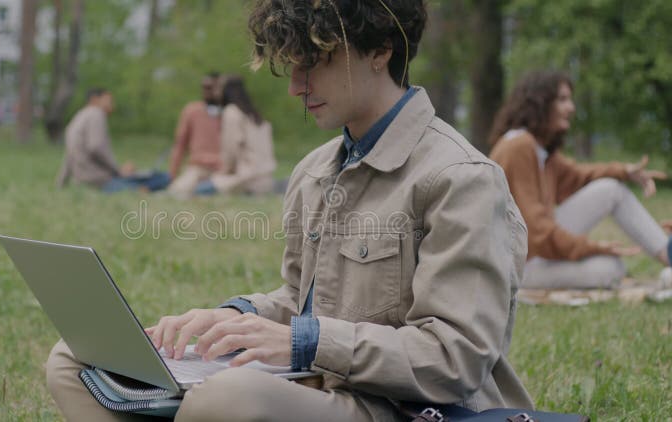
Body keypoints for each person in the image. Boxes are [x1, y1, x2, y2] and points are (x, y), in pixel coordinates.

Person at [45, 1, 535, 420]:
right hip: (315, 389)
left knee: (228, 397)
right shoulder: (314, 171)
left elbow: (455, 359)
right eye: (291, 65)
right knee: (77, 360)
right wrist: (230, 318)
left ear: (381, 49)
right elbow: (303, 301)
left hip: (406, 408)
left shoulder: (462, 178)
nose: (295, 86)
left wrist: (306, 343)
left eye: (313, 62)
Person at [489, 70, 671, 291]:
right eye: (562, 99)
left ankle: (669, 254)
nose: (571, 108)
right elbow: (535, 232)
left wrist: (624, 171)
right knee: (610, 268)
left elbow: (578, 176)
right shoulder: (519, 146)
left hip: (531, 253)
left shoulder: (540, 150)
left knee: (611, 190)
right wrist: (589, 247)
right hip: (515, 266)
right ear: (540, 103)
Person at [56, 88, 169, 193]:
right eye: (109, 101)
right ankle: (142, 191)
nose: (112, 105)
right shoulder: (96, 113)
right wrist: (118, 171)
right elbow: (96, 147)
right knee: (163, 177)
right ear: (95, 99)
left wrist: (61, 183)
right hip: (100, 181)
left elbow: (69, 155)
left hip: (83, 181)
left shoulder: (77, 118)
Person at [194, 75, 277, 196]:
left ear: (227, 90)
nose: (216, 92)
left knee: (198, 189)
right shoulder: (255, 115)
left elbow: (230, 153)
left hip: (247, 181)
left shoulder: (231, 112)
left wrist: (221, 173)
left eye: (219, 88)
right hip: (266, 180)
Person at [167, 73, 223, 198]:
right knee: (177, 191)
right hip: (197, 168)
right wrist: (172, 174)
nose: (207, 91)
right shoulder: (192, 111)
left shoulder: (231, 113)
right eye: (204, 87)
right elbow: (180, 145)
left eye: (211, 87)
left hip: (223, 171)